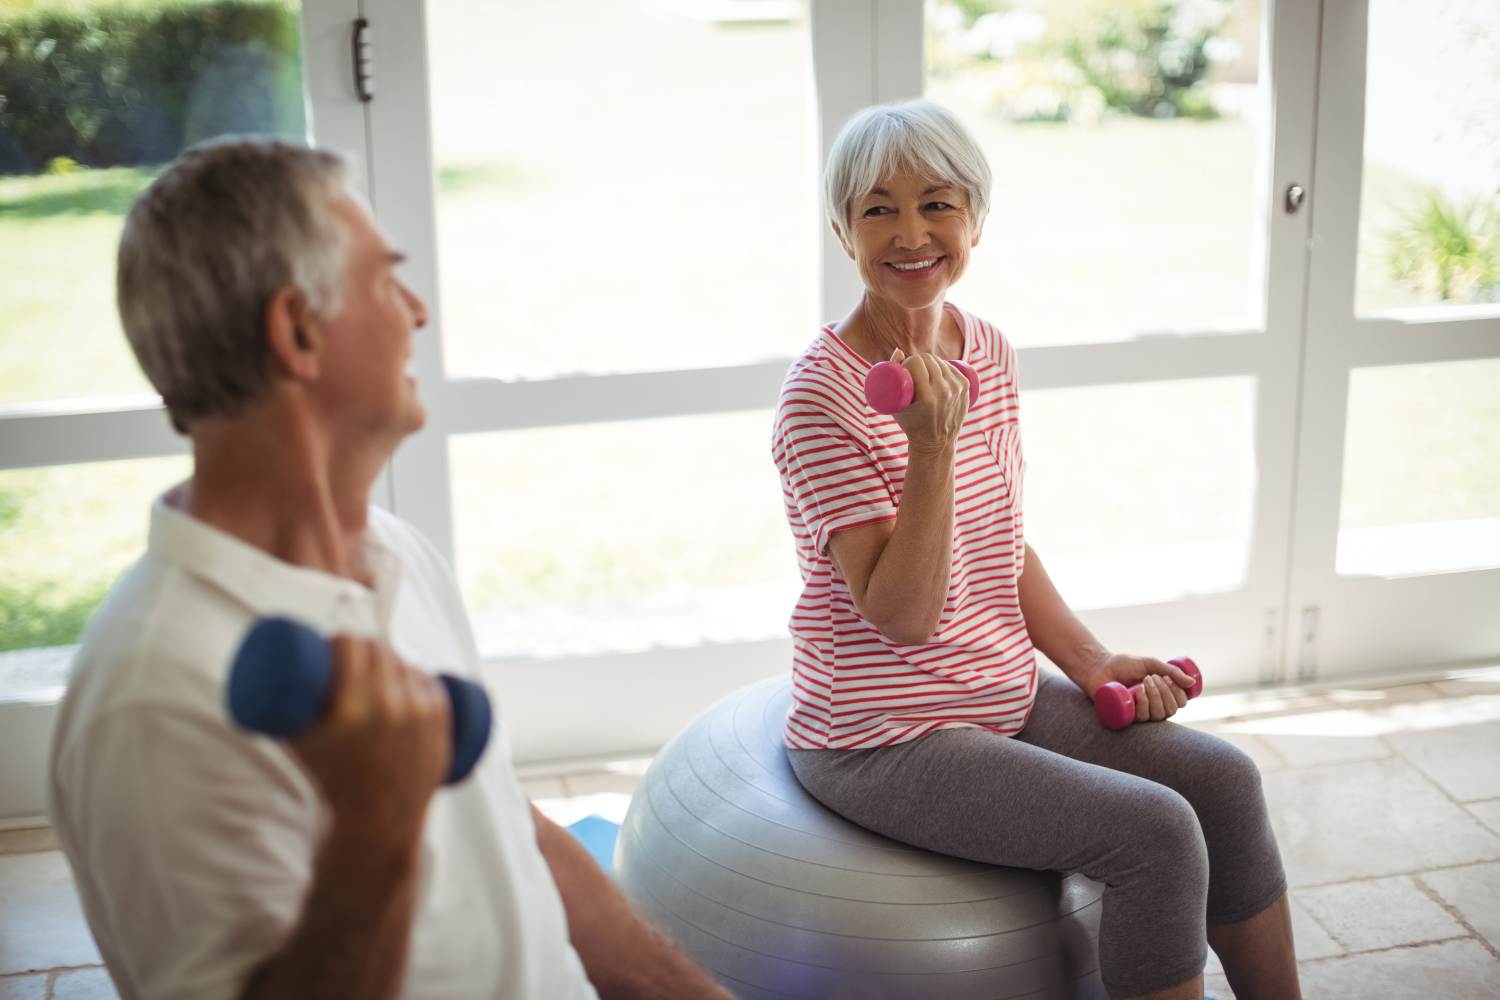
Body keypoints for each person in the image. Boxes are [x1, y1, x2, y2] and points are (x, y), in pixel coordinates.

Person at [46, 138, 731, 1000]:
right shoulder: (154, 700)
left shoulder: (393, 552)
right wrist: (372, 829)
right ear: (296, 332)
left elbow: (509, 837)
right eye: (383, 280)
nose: (416, 312)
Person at [770, 100, 1302, 1000]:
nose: (911, 233)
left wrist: (1093, 662)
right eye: (877, 208)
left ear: (975, 218)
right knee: (1155, 833)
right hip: (881, 735)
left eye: (938, 203)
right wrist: (930, 445)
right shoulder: (819, 402)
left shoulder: (989, 350)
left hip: (998, 692)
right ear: (839, 227)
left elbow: (1000, 543)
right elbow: (901, 617)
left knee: (1225, 779)